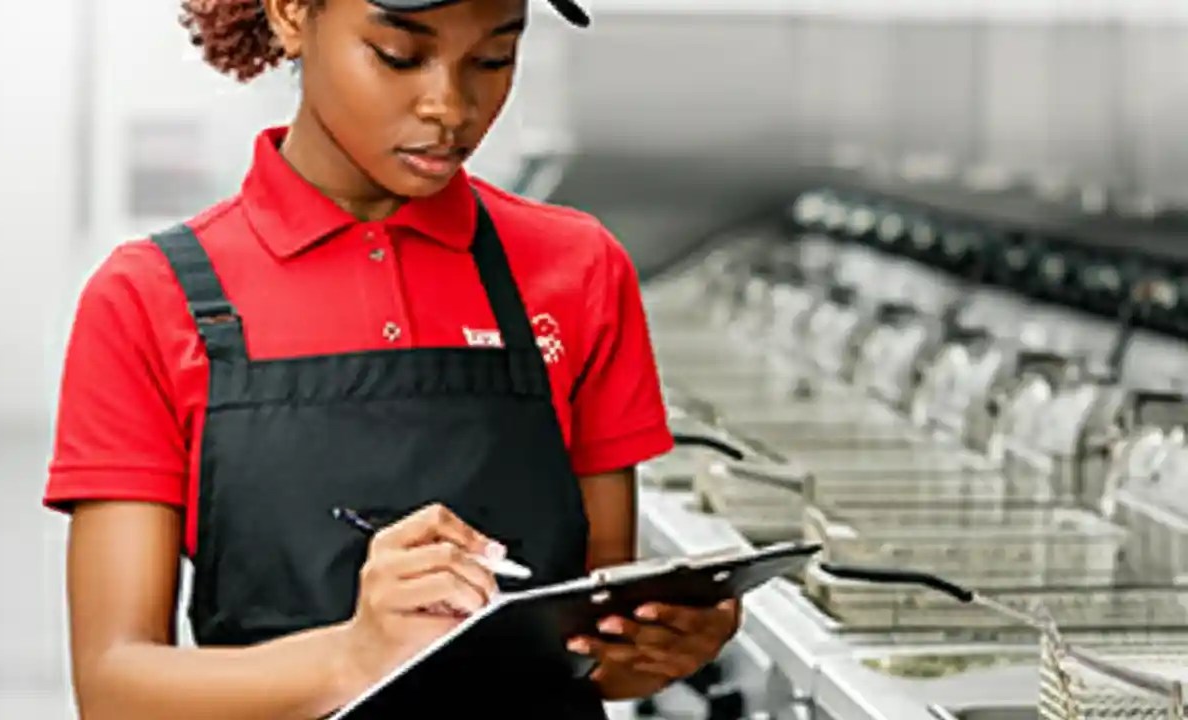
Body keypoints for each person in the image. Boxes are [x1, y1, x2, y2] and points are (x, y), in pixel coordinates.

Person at [43, 0, 741, 717]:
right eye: (400, 56)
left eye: (493, 59)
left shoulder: (579, 269)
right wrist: (353, 657)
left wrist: (660, 648)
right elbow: (116, 689)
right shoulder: (148, 300)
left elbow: (595, 649)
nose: (451, 105)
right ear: (289, 15)